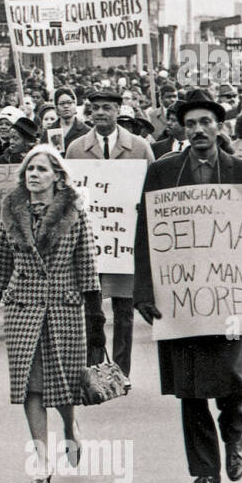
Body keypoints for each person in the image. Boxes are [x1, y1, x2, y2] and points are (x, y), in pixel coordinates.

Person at [133, 89, 242, 483]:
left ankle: (234, 433)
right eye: (191, 123)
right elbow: (145, 234)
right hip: (179, 298)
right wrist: (144, 291)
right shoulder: (162, 173)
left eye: (205, 123)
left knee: (231, 380)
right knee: (190, 386)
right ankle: (204, 468)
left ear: (219, 127)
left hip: (229, 294)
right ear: (182, 128)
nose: (198, 130)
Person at [0, 145, 103, 483]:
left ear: (57, 177)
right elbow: (3, 261)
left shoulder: (74, 212)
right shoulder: (12, 210)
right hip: (22, 308)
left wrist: (96, 321)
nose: (33, 175)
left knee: (62, 383)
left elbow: (87, 266)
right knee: (29, 387)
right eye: (29, 170)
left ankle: (70, 427)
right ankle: (40, 458)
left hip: (63, 307)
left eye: (41, 169)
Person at [64, 87, 155, 378]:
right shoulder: (76, 148)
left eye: (107, 107)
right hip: (91, 241)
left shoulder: (139, 147)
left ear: (118, 111)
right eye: (96, 108)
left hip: (126, 240)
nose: (101, 113)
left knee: (124, 309)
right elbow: (68, 193)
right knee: (92, 308)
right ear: (89, 112)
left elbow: (152, 189)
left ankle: (120, 370)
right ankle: (93, 368)